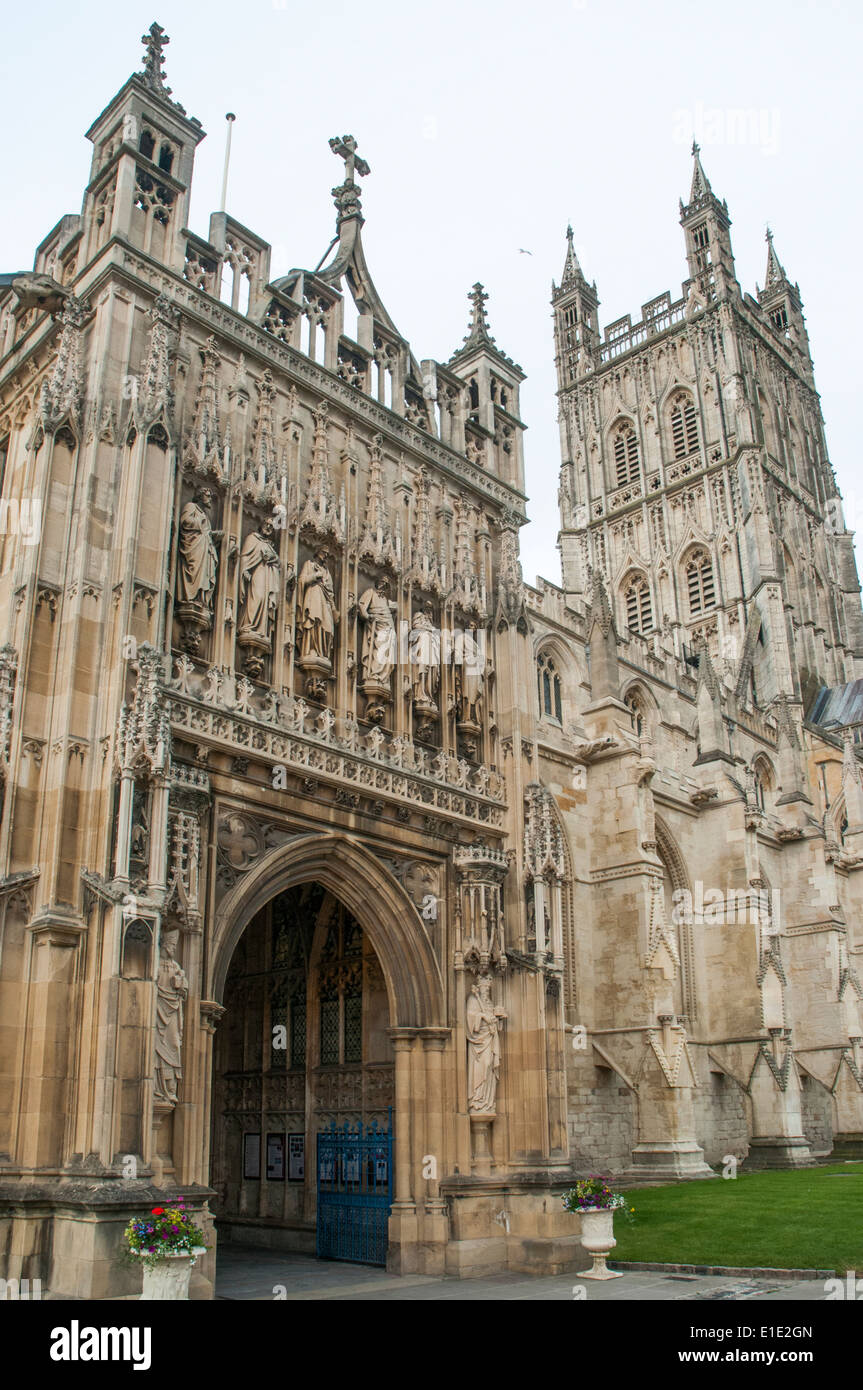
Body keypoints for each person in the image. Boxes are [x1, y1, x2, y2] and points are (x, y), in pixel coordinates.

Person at [237, 520, 280, 647]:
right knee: (256, 598)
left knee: (264, 599)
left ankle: (261, 629)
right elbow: (245, 556)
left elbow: (277, 560)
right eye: (267, 524)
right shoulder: (252, 538)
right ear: (260, 525)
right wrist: (244, 569)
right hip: (256, 574)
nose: (269, 527)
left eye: (271, 526)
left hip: (267, 576)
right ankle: (248, 626)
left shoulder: (270, 545)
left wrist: (271, 558)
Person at [176, 489, 218, 612]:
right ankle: (190, 597)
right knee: (194, 570)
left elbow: (205, 532)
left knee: (204, 574)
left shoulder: (204, 514)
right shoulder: (191, 507)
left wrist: (212, 535)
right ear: (200, 496)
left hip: (204, 548)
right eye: (208, 496)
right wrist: (201, 523)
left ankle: (201, 599)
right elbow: (185, 521)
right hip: (195, 547)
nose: (210, 499)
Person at [298, 548, 337, 663]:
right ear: (317, 553)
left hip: (325, 603)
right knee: (313, 621)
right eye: (323, 552)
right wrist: (314, 576)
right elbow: (302, 580)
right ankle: (311, 650)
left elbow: (330, 593)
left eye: (327, 554)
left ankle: (322, 652)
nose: (325, 555)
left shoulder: (327, 572)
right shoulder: (309, 565)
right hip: (313, 595)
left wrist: (333, 608)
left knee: (327, 627)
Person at [358, 577, 397, 685]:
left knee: (388, 650)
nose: (384, 586)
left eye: (386, 584)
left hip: (387, 626)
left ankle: (383, 676)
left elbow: (389, 610)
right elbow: (362, 606)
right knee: (379, 647)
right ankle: (374, 673)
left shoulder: (385, 600)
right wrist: (367, 616)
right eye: (382, 583)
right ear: (378, 584)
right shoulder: (370, 592)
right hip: (376, 624)